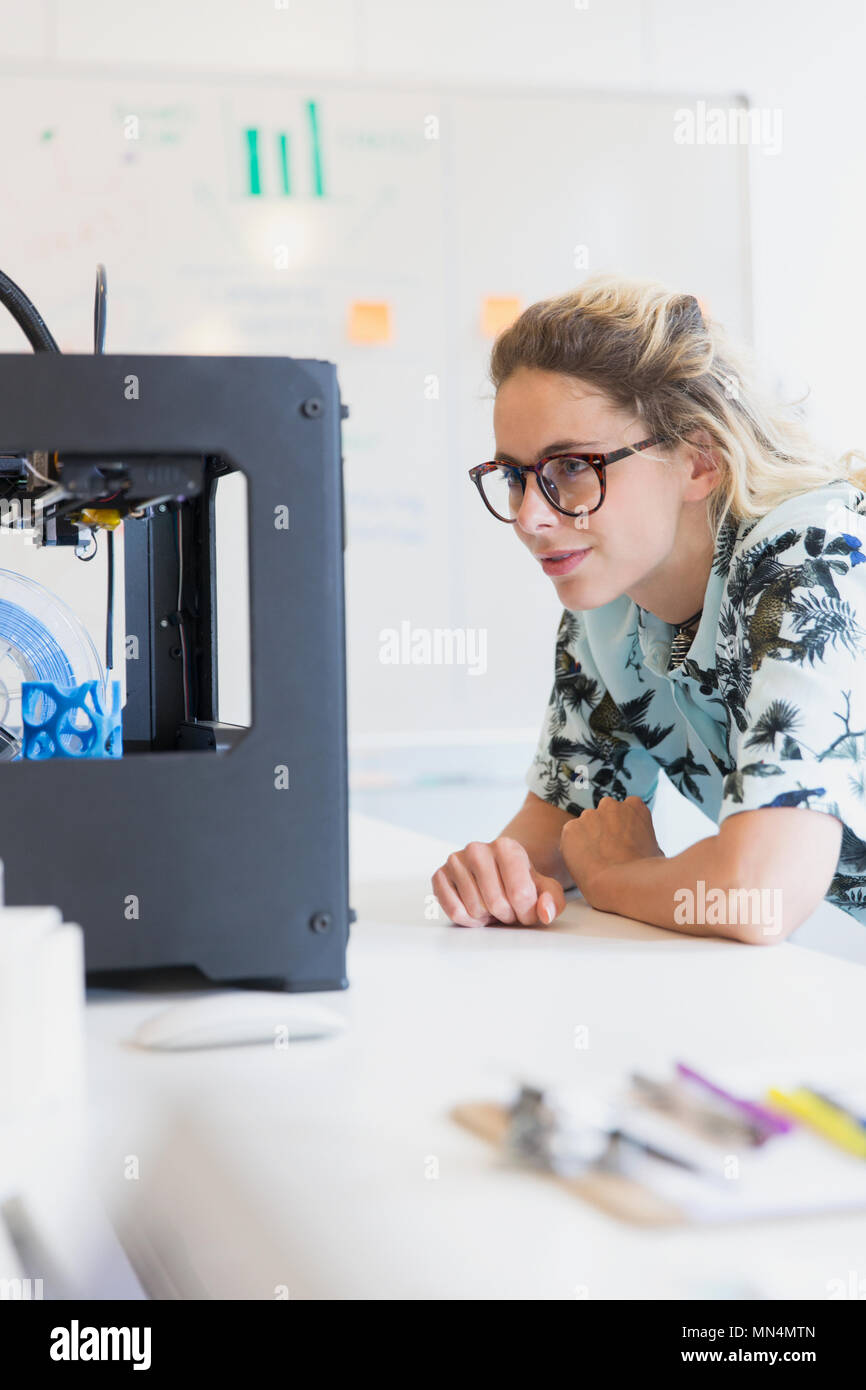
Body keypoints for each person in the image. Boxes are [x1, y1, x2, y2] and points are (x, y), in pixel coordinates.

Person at [430, 274, 866, 944]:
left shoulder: (809, 556)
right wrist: (500, 872)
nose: (529, 516)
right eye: (515, 477)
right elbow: (564, 830)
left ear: (698, 460)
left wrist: (616, 880)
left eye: (570, 466)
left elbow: (757, 894)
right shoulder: (607, 606)